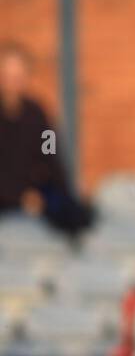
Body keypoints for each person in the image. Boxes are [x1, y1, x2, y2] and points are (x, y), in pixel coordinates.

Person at [0, 43, 91, 234]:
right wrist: (19, 198)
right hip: (8, 199)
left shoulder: (37, 114)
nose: (12, 82)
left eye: (17, 76)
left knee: (76, 214)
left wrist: (63, 192)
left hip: (35, 194)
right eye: (7, 75)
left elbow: (50, 154)